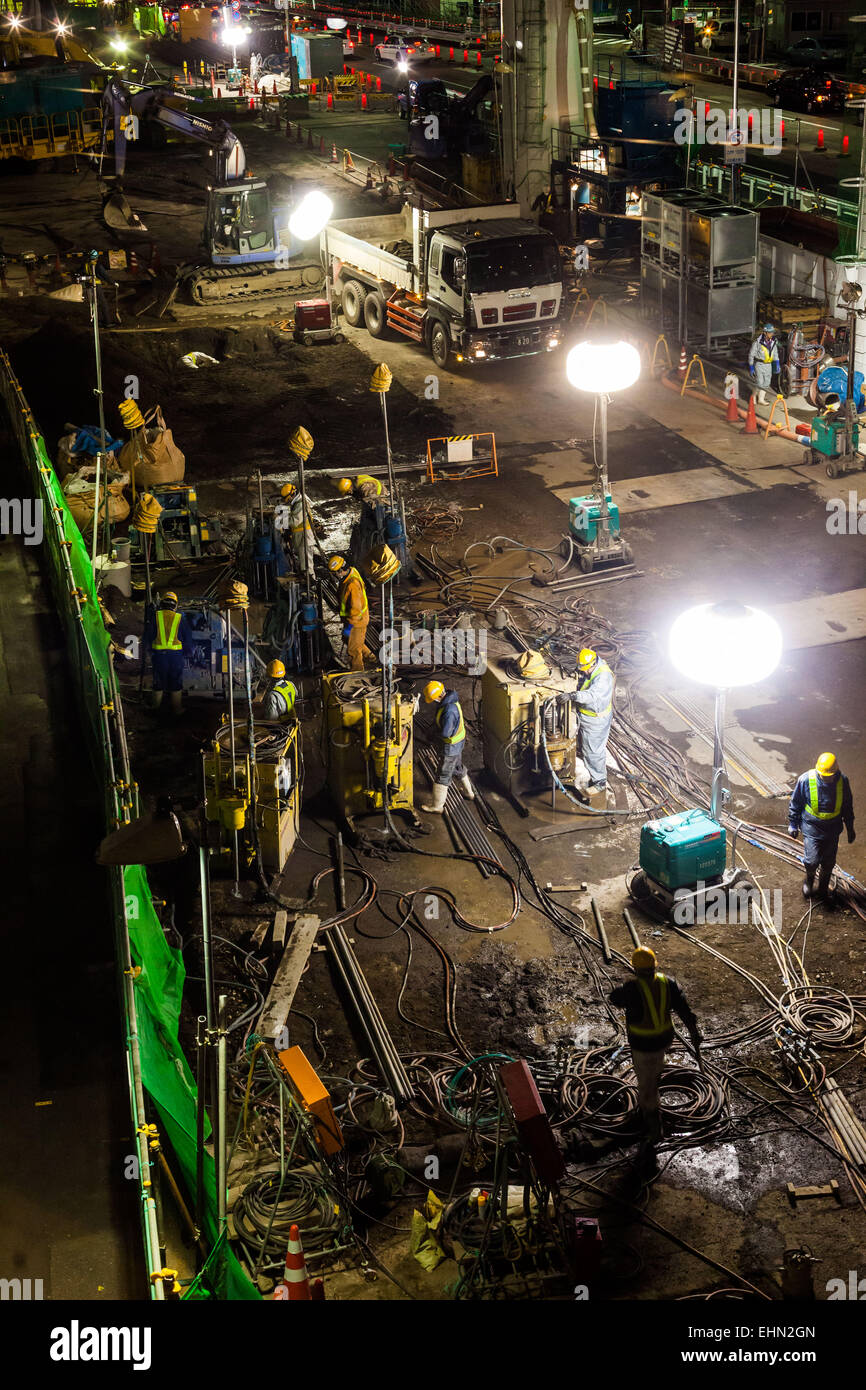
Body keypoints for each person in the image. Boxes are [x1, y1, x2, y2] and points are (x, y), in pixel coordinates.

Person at [609, 947, 703, 1144]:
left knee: (647, 1087)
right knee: (655, 1069)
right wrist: (694, 1032)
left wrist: (625, 986)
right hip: (663, 1041)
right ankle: (654, 1082)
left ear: (635, 968)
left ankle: (654, 1128)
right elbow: (685, 1011)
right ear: (654, 965)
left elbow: (613, 998)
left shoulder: (631, 988)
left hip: (643, 1046)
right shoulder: (667, 982)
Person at [788, 752, 855, 905]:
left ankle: (823, 889)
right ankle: (809, 881)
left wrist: (850, 828)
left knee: (828, 863)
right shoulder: (806, 779)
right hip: (812, 828)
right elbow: (796, 802)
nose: (827, 778)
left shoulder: (842, 781)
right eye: (824, 776)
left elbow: (847, 806)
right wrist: (793, 823)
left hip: (832, 830)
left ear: (836, 772)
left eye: (830, 775)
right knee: (811, 861)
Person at [420, 679, 473, 813]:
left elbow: (445, 732)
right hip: (458, 742)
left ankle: (437, 806)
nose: (432, 702)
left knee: (443, 774)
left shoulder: (449, 710)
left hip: (451, 747)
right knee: (458, 767)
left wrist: (433, 736)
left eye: (433, 699)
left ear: (438, 696)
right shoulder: (450, 700)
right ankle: (470, 793)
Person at [143, 589, 193, 716]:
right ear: (175, 605)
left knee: (158, 681)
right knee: (176, 682)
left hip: (159, 656)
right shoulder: (180, 618)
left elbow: (148, 636)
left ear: (162, 603)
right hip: (176, 657)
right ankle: (177, 709)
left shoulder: (155, 617)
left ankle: (155, 708)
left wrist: (148, 651)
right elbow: (188, 639)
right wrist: (189, 653)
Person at [573, 647, 614, 794]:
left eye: (585, 669)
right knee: (584, 746)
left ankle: (600, 782)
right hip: (585, 714)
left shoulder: (603, 677)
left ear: (592, 663)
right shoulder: (593, 665)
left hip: (594, 720)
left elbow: (591, 696)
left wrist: (573, 696)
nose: (584, 672)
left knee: (593, 752)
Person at [329, 554, 369, 671]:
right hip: (356, 618)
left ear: (341, 570)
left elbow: (355, 610)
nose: (334, 576)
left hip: (357, 621)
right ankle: (373, 660)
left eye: (335, 573)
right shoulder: (352, 571)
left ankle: (357, 675)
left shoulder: (352, 585)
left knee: (353, 651)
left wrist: (349, 626)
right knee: (357, 643)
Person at [280, 482, 316, 579]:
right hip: (301, 537)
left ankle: (311, 587)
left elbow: (293, 521)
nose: (287, 501)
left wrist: (279, 519)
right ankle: (306, 581)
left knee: (307, 566)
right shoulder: (296, 502)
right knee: (303, 565)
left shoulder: (301, 504)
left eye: (287, 499)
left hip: (305, 538)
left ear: (292, 494)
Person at [748, 322, 780, 405]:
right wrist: (751, 367)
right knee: (759, 382)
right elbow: (751, 355)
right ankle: (753, 396)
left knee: (766, 383)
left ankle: (761, 399)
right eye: (770, 332)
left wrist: (777, 363)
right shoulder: (757, 343)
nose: (771, 334)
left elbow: (775, 353)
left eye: (772, 332)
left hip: (768, 365)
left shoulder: (773, 342)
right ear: (765, 333)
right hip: (759, 364)